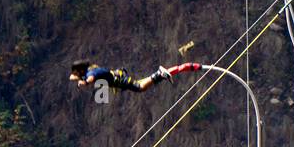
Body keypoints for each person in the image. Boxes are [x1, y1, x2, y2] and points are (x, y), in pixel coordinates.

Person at [69, 60, 199, 93]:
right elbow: (73, 76)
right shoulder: (90, 68)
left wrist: (84, 83)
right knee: (142, 84)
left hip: (121, 81)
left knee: (141, 87)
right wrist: (78, 78)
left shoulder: (90, 74)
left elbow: (90, 79)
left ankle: (159, 74)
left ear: (80, 70)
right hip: (119, 78)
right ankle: (182, 68)